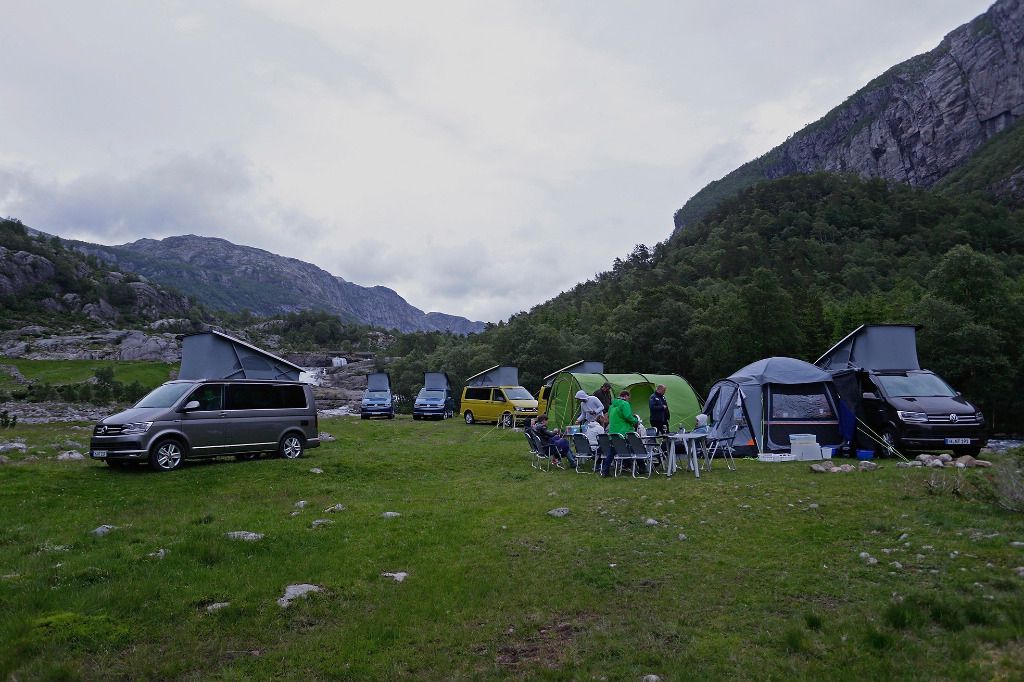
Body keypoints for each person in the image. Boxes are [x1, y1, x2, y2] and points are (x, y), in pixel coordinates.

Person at [602, 390, 640, 476]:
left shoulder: (612, 406)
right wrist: (636, 421)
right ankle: (639, 468)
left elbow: (609, 418)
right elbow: (628, 416)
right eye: (628, 398)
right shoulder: (625, 404)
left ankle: (605, 470)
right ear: (626, 396)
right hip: (624, 432)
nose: (629, 399)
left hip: (613, 432)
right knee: (633, 448)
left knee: (612, 452)